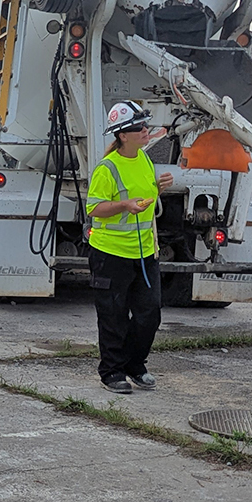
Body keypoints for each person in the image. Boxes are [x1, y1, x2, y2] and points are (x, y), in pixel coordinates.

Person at [85, 100, 175, 394]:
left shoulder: (145, 159)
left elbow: (144, 196)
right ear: (123, 135)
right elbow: (94, 208)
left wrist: (159, 187)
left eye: (145, 125)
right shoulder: (107, 168)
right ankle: (112, 372)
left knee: (150, 313)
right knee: (113, 316)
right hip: (110, 254)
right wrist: (124, 205)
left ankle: (135, 365)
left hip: (144, 252)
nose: (145, 130)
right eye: (139, 127)